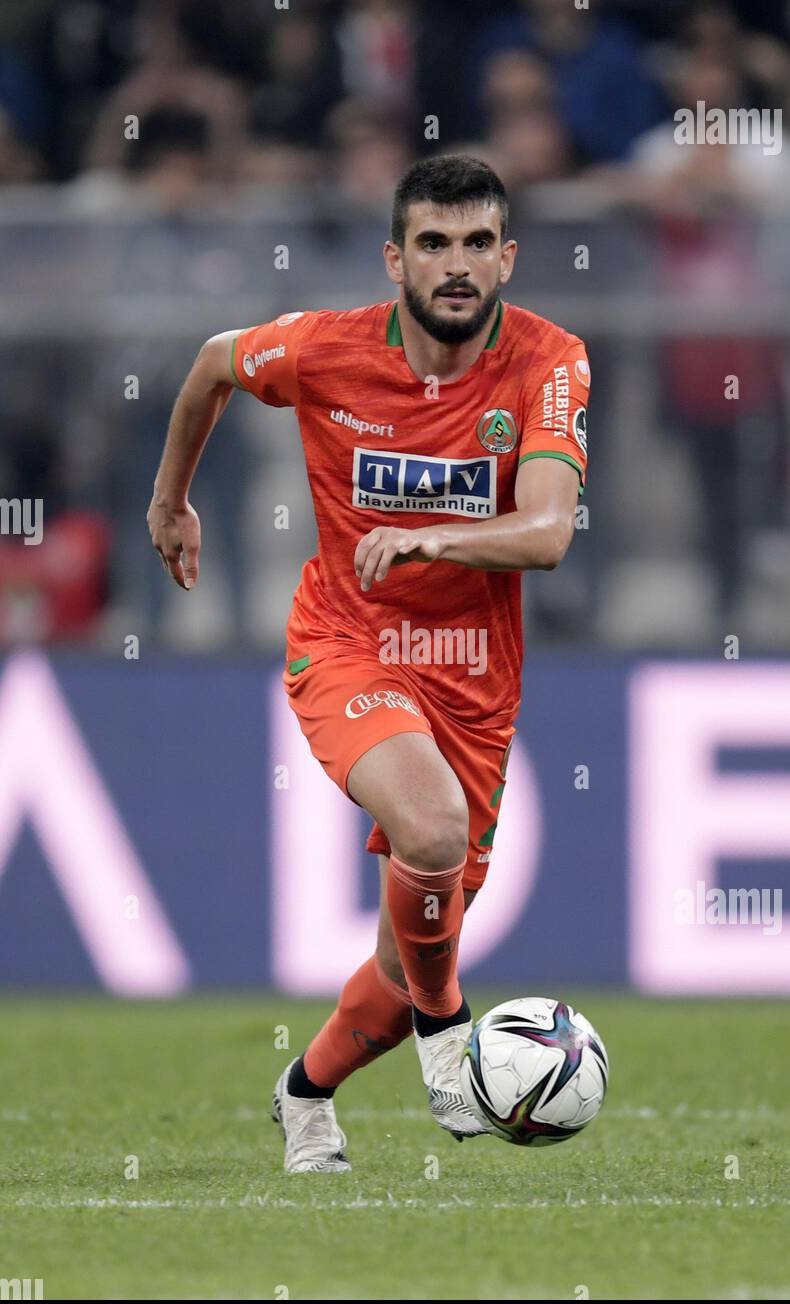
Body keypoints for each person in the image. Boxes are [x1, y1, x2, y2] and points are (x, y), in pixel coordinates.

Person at [147, 154, 590, 1172]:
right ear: (394, 258)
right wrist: (170, 499)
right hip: (349, 643)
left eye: (477, 242)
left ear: (507, 258)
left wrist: (432, 537)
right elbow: (215, 361)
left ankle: (305, 1094)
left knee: (398, 961)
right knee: (427, 831)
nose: (455, 264)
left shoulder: (548, 361)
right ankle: (452, 1032)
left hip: (475, 679)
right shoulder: (323, 349)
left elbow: (549, 530)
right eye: (432, 243)